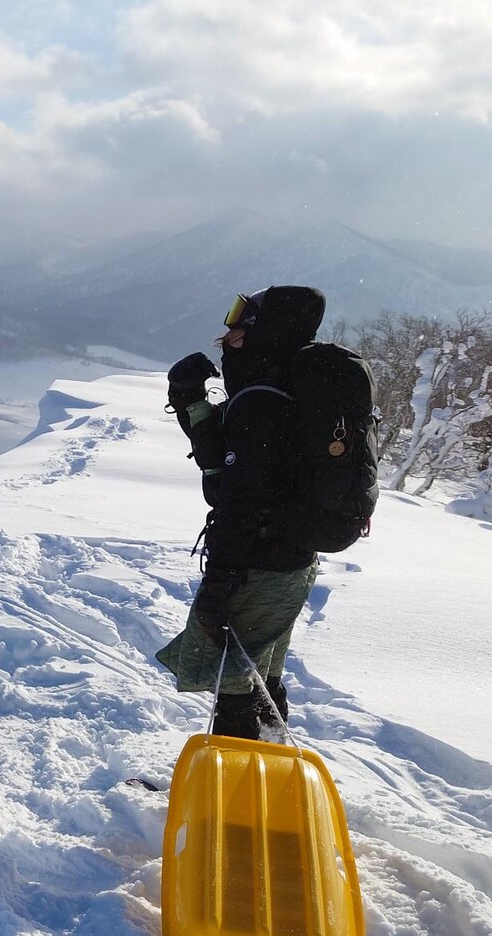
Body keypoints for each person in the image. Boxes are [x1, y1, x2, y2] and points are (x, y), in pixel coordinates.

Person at [156, 286, 327, 740]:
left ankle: (239, 800)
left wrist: (220, 582)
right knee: (263, 674)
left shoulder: (264, 403)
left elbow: (238, 500)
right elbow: (223, 459)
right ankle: (270, 776)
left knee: (234, 678)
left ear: (265, 331)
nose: (229, 331)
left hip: (260, 560)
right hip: (288, 558)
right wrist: (189, 399)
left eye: (240, 321)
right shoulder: (278, 386)